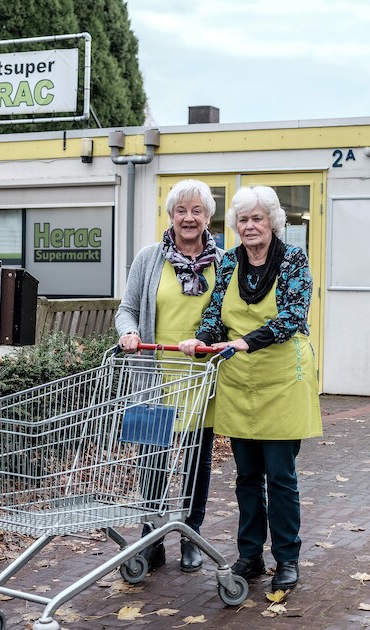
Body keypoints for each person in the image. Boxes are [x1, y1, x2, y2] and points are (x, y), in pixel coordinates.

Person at [179, 186, 322, 591]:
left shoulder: (293, 258)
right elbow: (214, 313)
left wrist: (243, 341)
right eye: (242, 219)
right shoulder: (229, 263)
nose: (249, 226)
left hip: (282, 380)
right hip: (239, 381)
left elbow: (293, 315)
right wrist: (201, 341)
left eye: (257, 218)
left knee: (280, 476)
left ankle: (288, 559)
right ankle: (250, 555)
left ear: (272, 221)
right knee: (246, 476)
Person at [115, 178, 222, 573]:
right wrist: (129, 332)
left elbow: (229, 318)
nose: (189, 218)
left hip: (200, 381)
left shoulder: (224, 262)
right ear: (171, 216)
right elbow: (126, 308)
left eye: (197, 211)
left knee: (197, 462)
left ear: (208, 217)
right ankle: (152, 538)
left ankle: (191, 535)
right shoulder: (149, 258)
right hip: (152, 377)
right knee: (152, 461)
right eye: (181, 210)